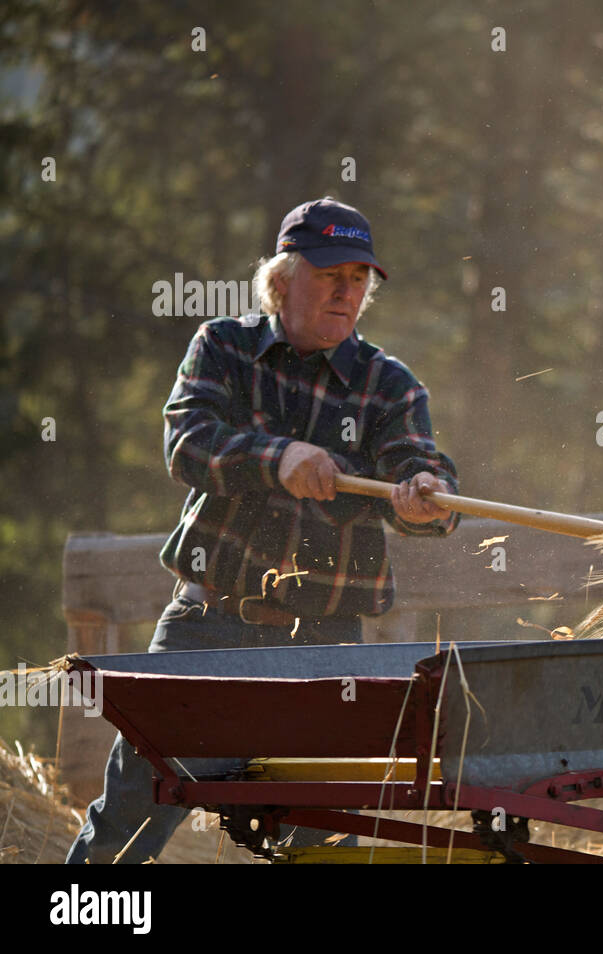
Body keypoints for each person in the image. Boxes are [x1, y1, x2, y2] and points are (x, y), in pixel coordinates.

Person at [67, 197, 459, 863]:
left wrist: (428, 497)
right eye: (331, 274)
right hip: (207, 628)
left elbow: (419, 471)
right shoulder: (225, 346)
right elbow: (187, 441)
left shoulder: (390, 385)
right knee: (132, 815)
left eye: (359, 279)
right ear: (281, 281)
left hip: (326, 648)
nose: (347, 291)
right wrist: (278, 459)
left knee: (321, 837)